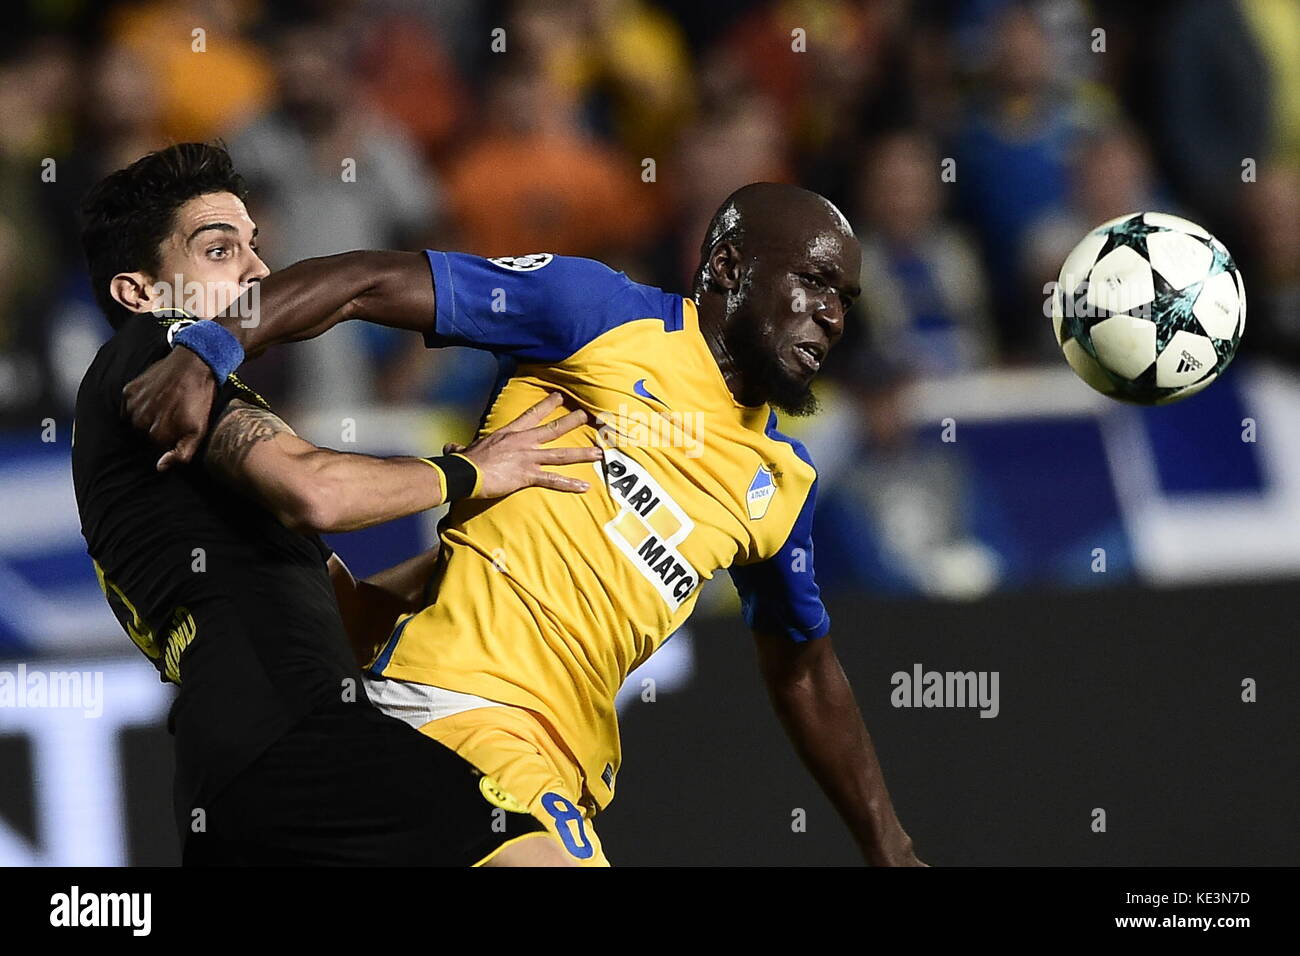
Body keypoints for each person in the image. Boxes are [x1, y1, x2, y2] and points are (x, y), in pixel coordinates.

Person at [123, 181, 926, 867]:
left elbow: (804, 668)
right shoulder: (600, 314)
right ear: (726, 267)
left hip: (562, 768)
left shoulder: (782, 485)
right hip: (456, 709)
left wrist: (890, 849)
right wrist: (209, 347)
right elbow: (368, 281)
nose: (830, 316)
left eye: (844, 300)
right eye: (815, 283)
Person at [73, 143, 601, 865]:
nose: (258, 272)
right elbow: (314, 489)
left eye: (255, 246)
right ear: (139, 292)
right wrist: (473, 471)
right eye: (219, 249)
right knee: (538, 855)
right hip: (292, 735)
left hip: (228, 778)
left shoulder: (169, 441)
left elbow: (349, 618)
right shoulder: (160, 355)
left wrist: (499, 545)